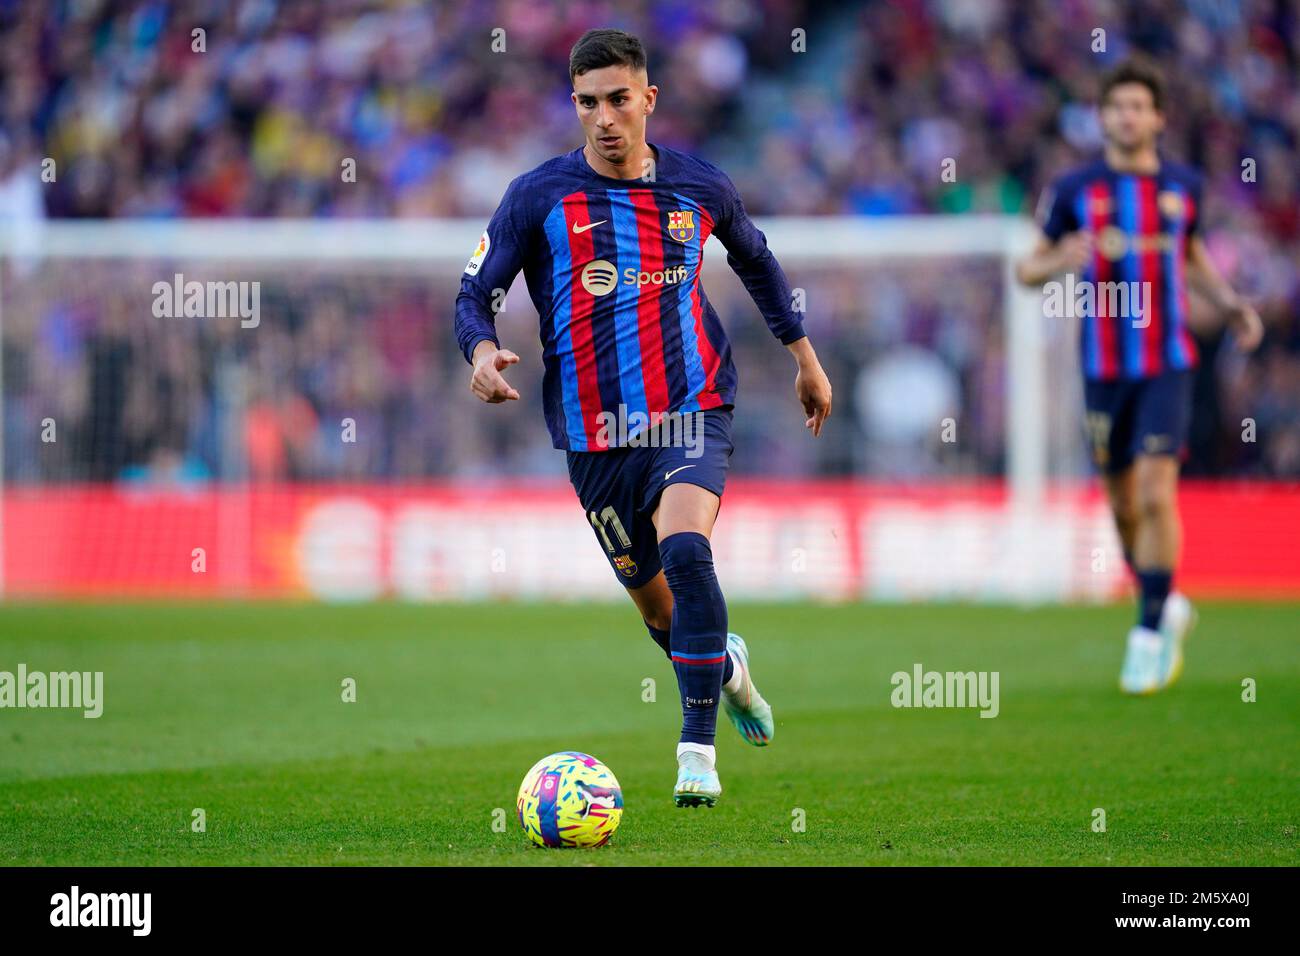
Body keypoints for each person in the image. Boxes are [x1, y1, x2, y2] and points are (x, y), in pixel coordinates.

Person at [455, 28, 833, 804]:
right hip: (592, 435)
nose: (604, 117)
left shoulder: (700, 186)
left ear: (648, 100)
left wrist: (805, 357)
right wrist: (481, 352)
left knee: (689, 551)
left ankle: (696, 752)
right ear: (575, 105)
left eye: (619, 99)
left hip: (692, 407)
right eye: (589, 102)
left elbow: (756, 259)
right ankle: (724, 667)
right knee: (664, 615)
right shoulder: (537, 196)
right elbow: (474, 292)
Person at [1016, 59, 1263, 694]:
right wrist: (1057, 260)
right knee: (1123, 505)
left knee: (1156, 492)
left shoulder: (1183, 186)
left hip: (1167, 364)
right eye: (1116, 106)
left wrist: (1231, 303)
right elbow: (1025, 269)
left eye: (1137, 106)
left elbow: (1194, 257)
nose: (1126, 116)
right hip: (1101, 369)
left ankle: (1149, 631)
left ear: (1157, 117)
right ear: (1103, 118)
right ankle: (1163, 597)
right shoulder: (1075, 190)